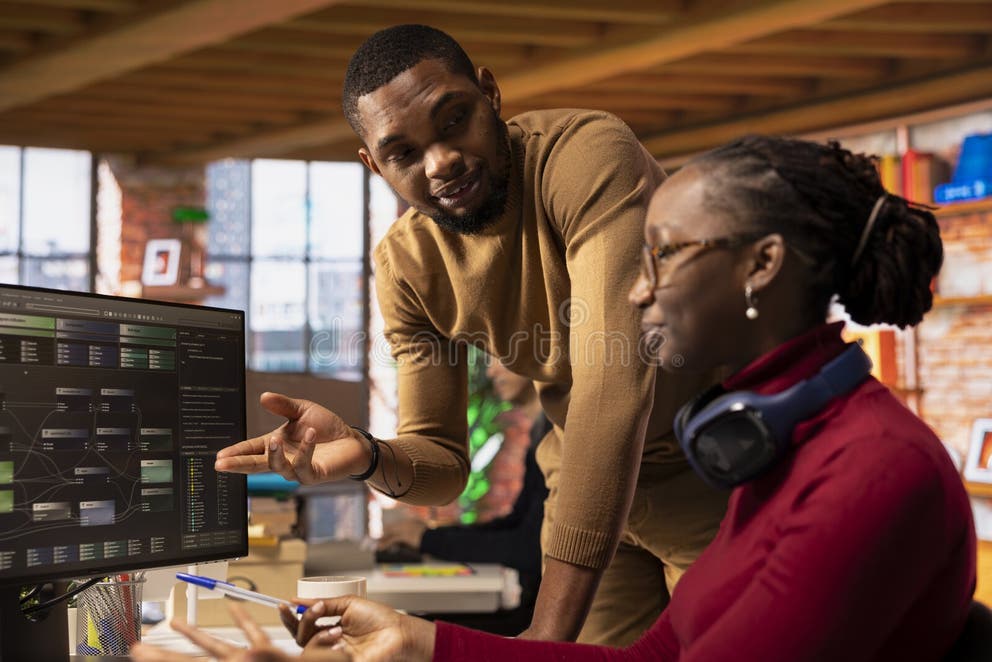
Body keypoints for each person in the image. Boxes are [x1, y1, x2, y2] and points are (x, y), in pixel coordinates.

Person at [133, 134, 976, 662]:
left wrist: (522, 638)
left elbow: (615, 398)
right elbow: (656, 658)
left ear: (760, 267)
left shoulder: (867, 473)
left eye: (666, 256)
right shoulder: (777, 453)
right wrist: (419, 643)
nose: (637, 294)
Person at [209, 24, 725, 644]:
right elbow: (443, 463)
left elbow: (612, 389)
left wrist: (546, 637)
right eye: (404, 153)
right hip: (597, 499)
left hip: (721, 475)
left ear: (490, 94)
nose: (442, 161)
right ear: (375, 165)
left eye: (454, 120)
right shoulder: (408, 266)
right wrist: (369, 455)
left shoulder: (585, 156)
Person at [379, 359, 552, 635]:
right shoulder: (541, 434)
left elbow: (530, 548)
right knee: (413, 624)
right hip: (531, 611)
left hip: (538, 622)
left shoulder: (555, 439)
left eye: (502, 360)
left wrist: (427, 539)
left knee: (412, 629)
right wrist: (428, 535)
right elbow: (517, 525)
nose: (491, 371)